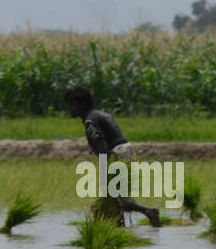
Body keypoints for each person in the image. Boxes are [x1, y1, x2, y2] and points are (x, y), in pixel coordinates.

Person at [64, 86, 160, 227]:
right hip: (125, 151)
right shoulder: (99, 114)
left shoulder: (90, 121)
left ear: (82, 104)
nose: (69, 109)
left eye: (72, 105)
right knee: (116, 201)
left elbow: (103, 149)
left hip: (117, 154)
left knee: (117, 198)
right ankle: (121, 228)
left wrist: (104, 177)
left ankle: (148, 212)